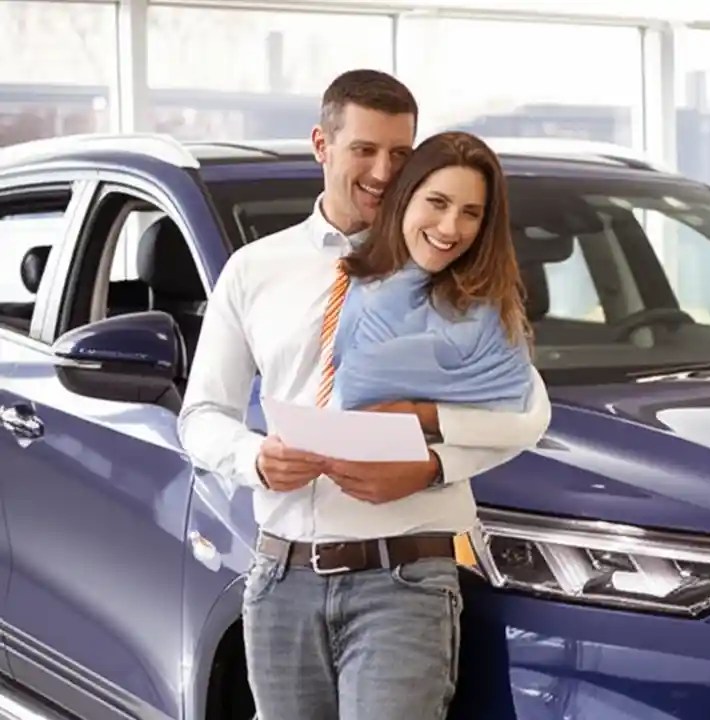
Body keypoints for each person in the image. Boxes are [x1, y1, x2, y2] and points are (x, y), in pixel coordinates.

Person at [177, 69, 551, 720]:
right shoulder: (255, 271)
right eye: (365, 150)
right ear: (322, 144)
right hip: (280, 578)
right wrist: (255, 457)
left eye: (401, 154)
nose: (384, 171)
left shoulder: (448, 271)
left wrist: (434, 462)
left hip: (404, 580)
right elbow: (203, 415)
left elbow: (525, 413)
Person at [329, 132, 533, 415]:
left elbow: (516, 419)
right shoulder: (341, 282)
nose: (450, 228)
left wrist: (419, 417)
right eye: (437, 203)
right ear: (405, 197)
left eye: (470, 213)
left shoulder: (493, 315)